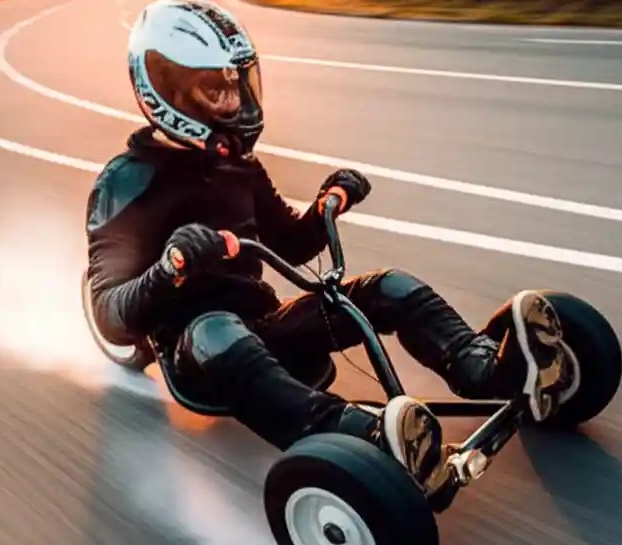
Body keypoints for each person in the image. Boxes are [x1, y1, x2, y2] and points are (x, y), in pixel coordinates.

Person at [86, 0, 568, 484]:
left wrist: (326, 207)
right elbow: (109, 312)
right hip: (195, 351)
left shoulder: (239, 167)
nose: (235, 104)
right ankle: (364, 435)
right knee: (216, 328)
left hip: (263, 327)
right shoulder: (125, 183)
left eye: (237, 85)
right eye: (216, 90)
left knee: (386, 287)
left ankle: (492, 371)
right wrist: (171, 267)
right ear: (167, 91)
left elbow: (291, 245)